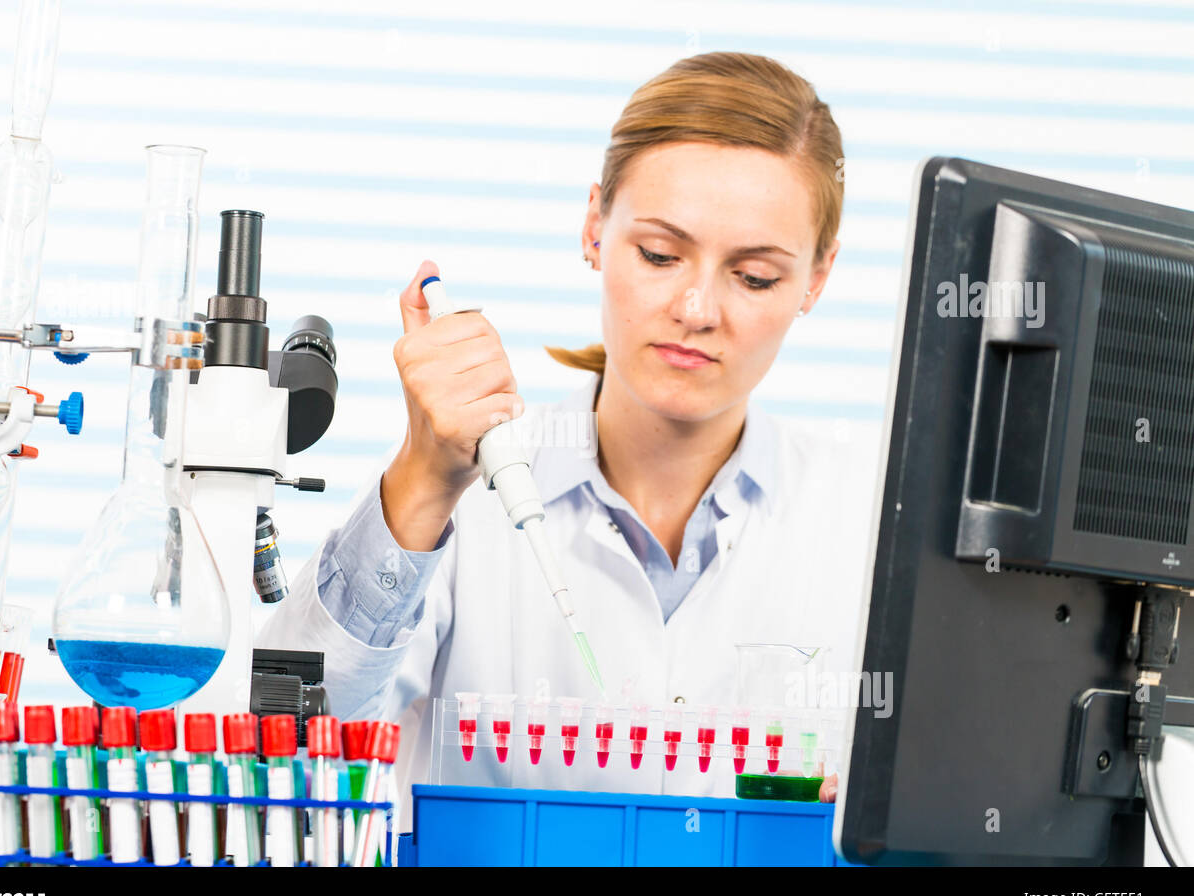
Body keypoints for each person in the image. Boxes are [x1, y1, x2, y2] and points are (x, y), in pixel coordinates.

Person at [258, 52, 876, 828]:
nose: (696, 309)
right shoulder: (463, 490)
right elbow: (274, 757)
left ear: (817, 278)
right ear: (594, 228)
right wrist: (422, 480)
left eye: (754, 276)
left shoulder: (870, 521)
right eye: (660, 255)